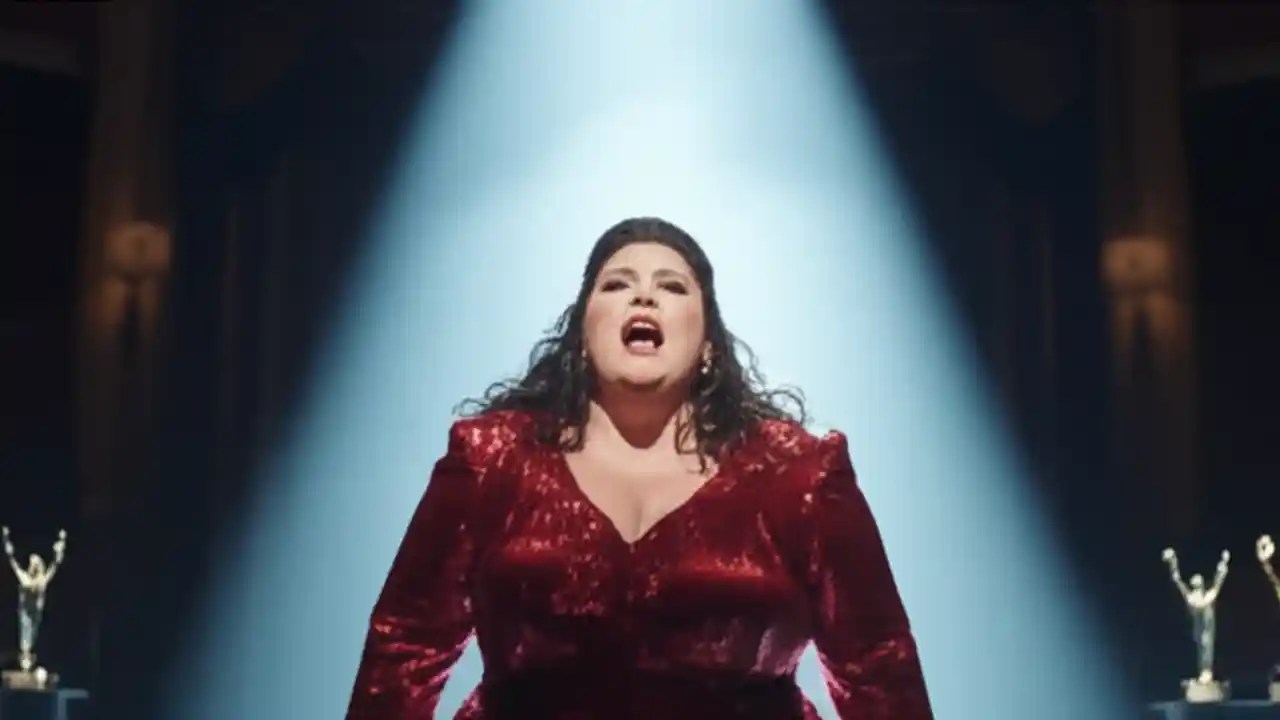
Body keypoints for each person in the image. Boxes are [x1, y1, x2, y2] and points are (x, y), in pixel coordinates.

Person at [346, 218, 933, 719]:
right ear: (582, 332)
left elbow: (879, 666)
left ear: (708, 344)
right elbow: (403, 650)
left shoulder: (799, 473)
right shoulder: (491, 459)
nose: (643, 297)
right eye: (617, 284)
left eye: (672, 287)